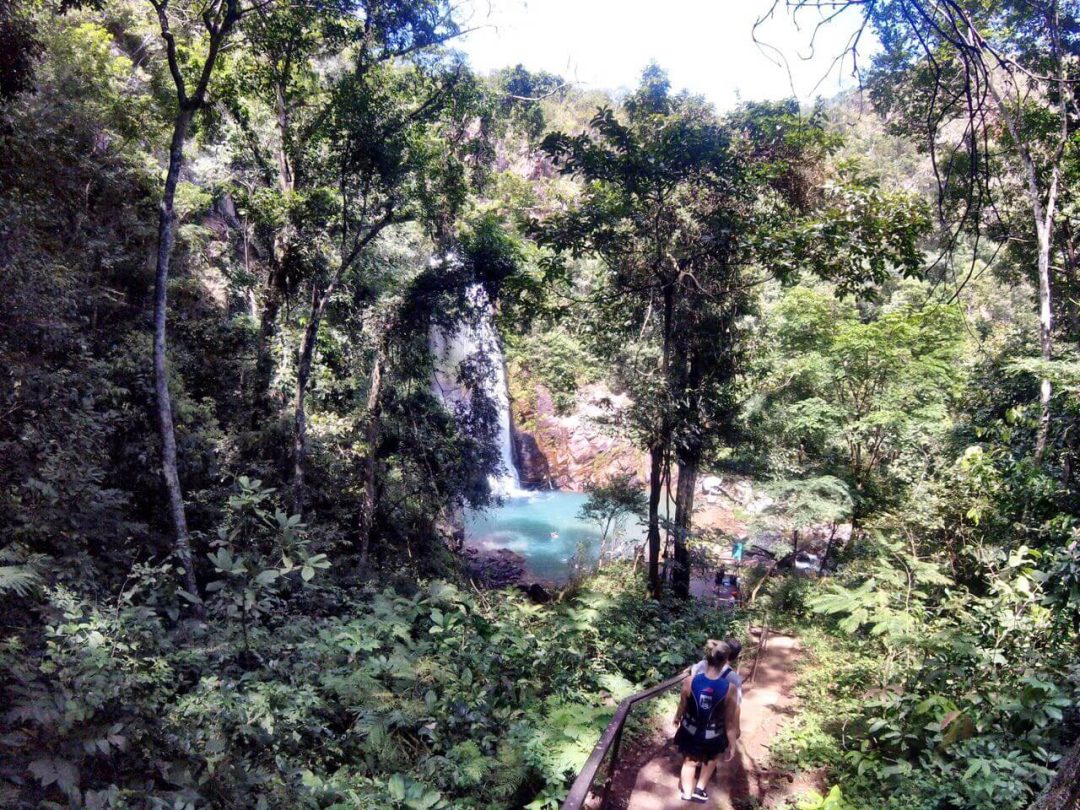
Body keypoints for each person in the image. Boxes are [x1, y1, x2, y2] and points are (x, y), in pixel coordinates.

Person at [673, 640, 739, 802]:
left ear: (707, 658)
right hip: (713, 734)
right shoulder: (729, 688)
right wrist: (732, 744)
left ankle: (687, 793)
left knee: (689, 761)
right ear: (726, 661)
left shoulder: (690, 681)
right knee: (710, 760)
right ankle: (699, 789)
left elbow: (682, 705)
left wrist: (677, 717)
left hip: (690, 730)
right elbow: (730, 722)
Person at [690, 638, 743, 738]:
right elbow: (736, 706)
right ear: (735, 657)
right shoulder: (734, 678)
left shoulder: (702, 665)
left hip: (694, 720)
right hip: (715, 728)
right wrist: (736, 728)